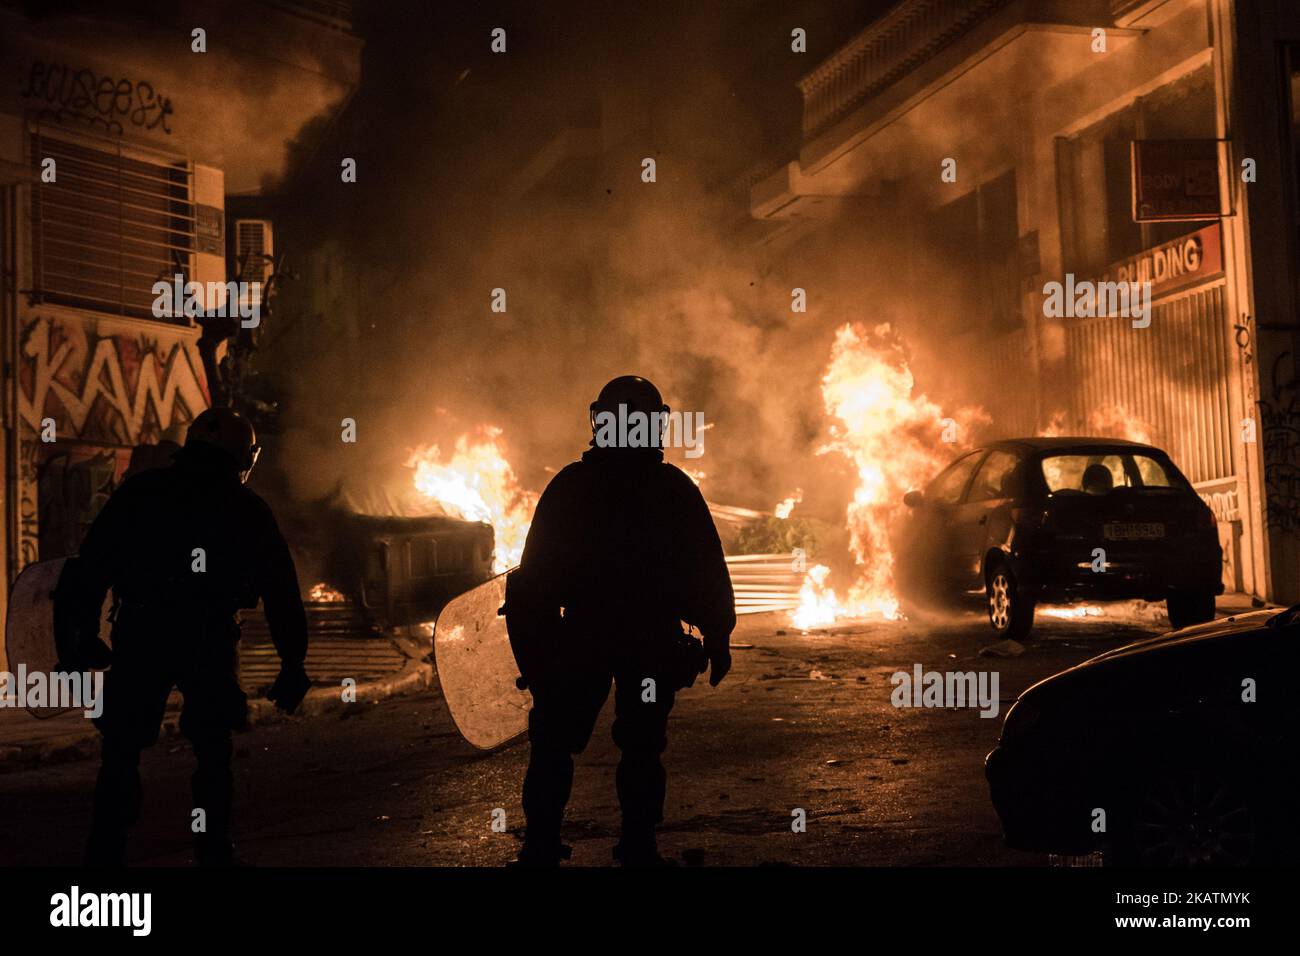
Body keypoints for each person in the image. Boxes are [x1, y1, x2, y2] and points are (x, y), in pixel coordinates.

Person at [54, 406, 310, 866]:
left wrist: (81, 638)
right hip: (207, 639)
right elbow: (281, 591)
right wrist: (292, 663)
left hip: (141, 632)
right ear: (242, 456)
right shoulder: (247, 509)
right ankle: (212, 850)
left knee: (121, 751)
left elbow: (89, 569)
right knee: (213, 753)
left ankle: (106, 850)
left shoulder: (140, 494)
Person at [505, 375, 735, 867]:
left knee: (553, 742)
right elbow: (705, 570)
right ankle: (637, 844)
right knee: (642, 744)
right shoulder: (672, 490)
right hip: (649, 640)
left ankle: (541, 844)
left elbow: (534, 578)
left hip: (582, 638)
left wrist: (539, 657)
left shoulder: (572, 487)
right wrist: (717, 636)